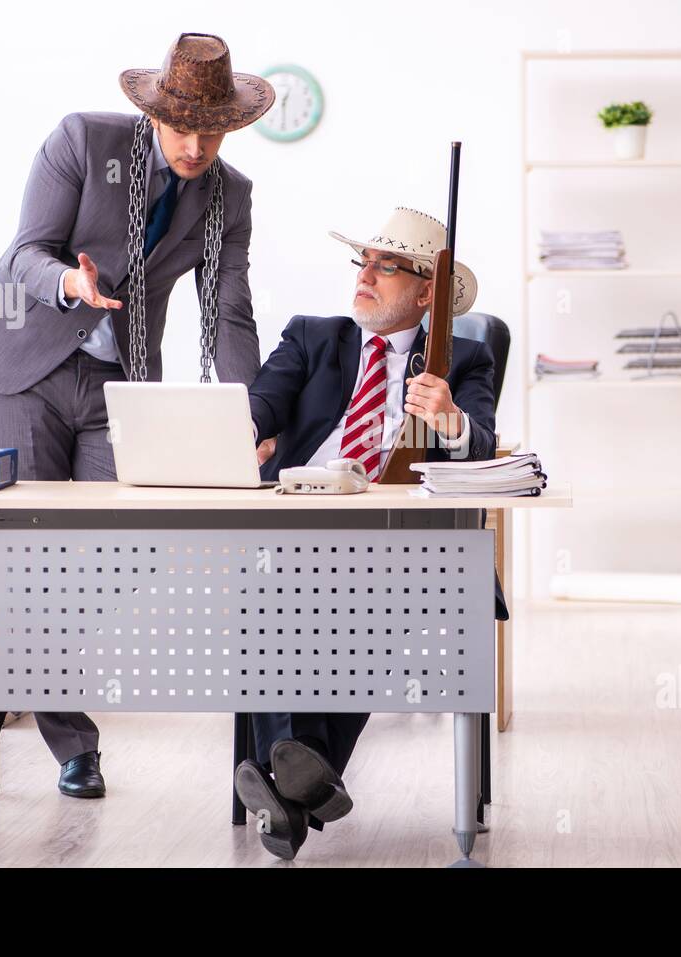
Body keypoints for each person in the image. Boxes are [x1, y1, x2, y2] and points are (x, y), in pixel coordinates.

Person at [0, 33, 273, 799]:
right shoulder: (82, 141)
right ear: (157, 113)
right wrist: (72, 282)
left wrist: (253, 415)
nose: (197, 146)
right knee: (34, 557)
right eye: (183, 128)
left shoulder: (230, 195)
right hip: (24, 366)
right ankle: (77, 746)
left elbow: (228, 312)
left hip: (118, 386)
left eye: (213, 131)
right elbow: (27, 252)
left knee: (102, 565)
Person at [234, 207, 507, 860]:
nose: (368, 274)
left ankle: (286, 785)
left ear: (426, 294)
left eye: (389, 266)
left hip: (403, 543)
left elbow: (486, 446)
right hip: (300, 525)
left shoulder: (462, 359)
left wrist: (449, 420)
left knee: (365, 596)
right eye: (364, 261)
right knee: (281, 587)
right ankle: (308, 777)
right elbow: (260, 406)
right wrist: (241, 433)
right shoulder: (310, 337)